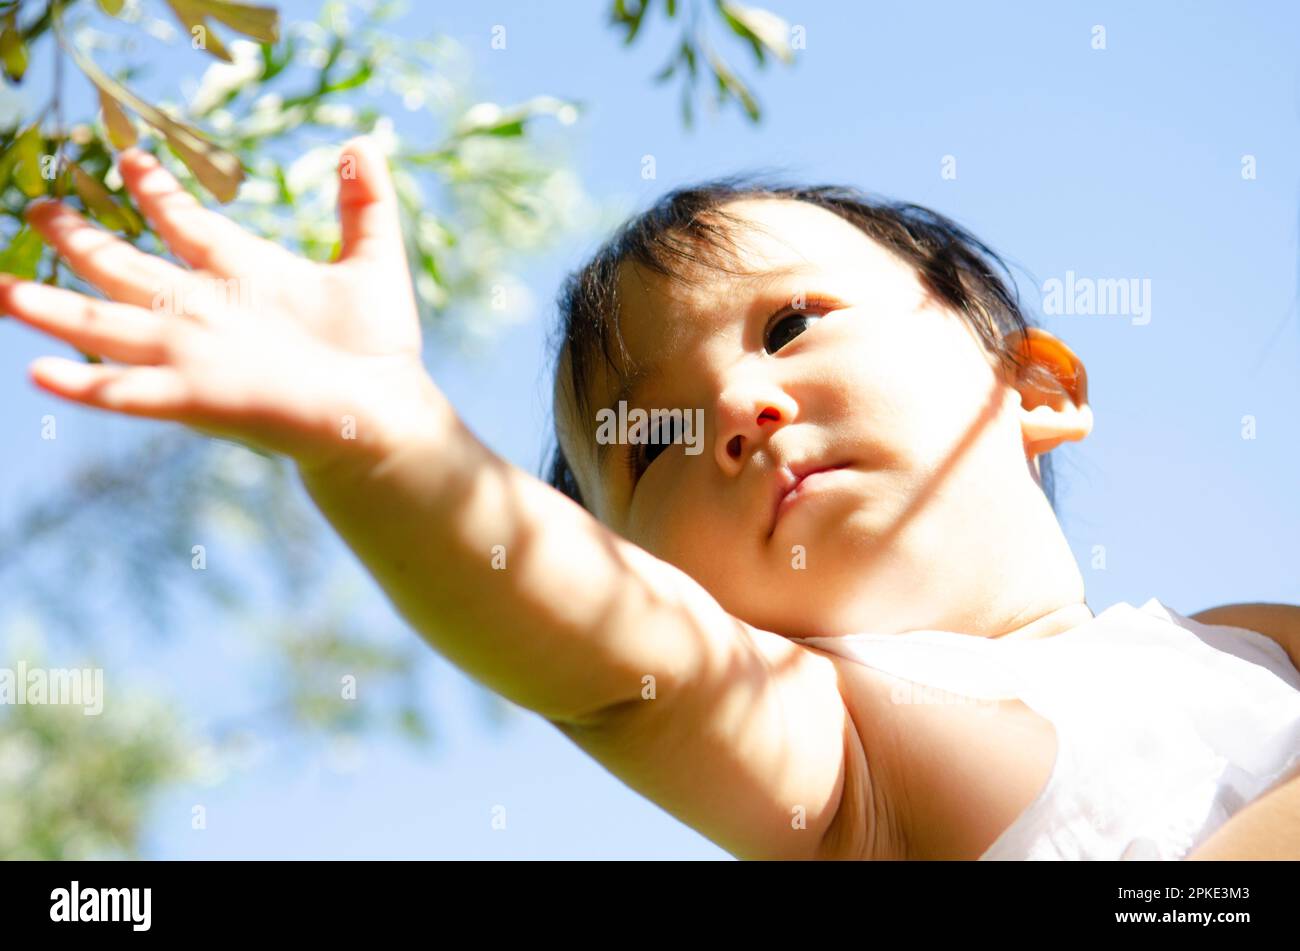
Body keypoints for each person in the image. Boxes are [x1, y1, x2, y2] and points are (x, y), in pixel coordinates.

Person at [3, 137, 1297, 860]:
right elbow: (624, 661)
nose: (734, 411)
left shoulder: (1252, 643)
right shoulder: (854, 746)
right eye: (652, 447)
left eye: (790, 325)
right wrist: (386, 445)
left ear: (1036, 386)